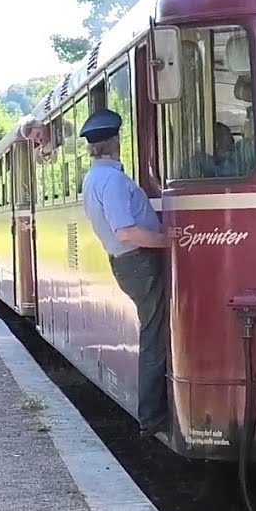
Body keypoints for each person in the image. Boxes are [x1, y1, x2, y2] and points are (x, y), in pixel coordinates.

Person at [78, 107, 172, 439]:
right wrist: (168, 241)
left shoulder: (92, 178)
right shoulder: (113, 180)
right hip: (139, 261)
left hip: (128, 263)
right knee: (154, 335)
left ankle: (153, 412)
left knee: (153, 332)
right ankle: (153, 415)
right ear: (116, 141)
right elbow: (126, 231)